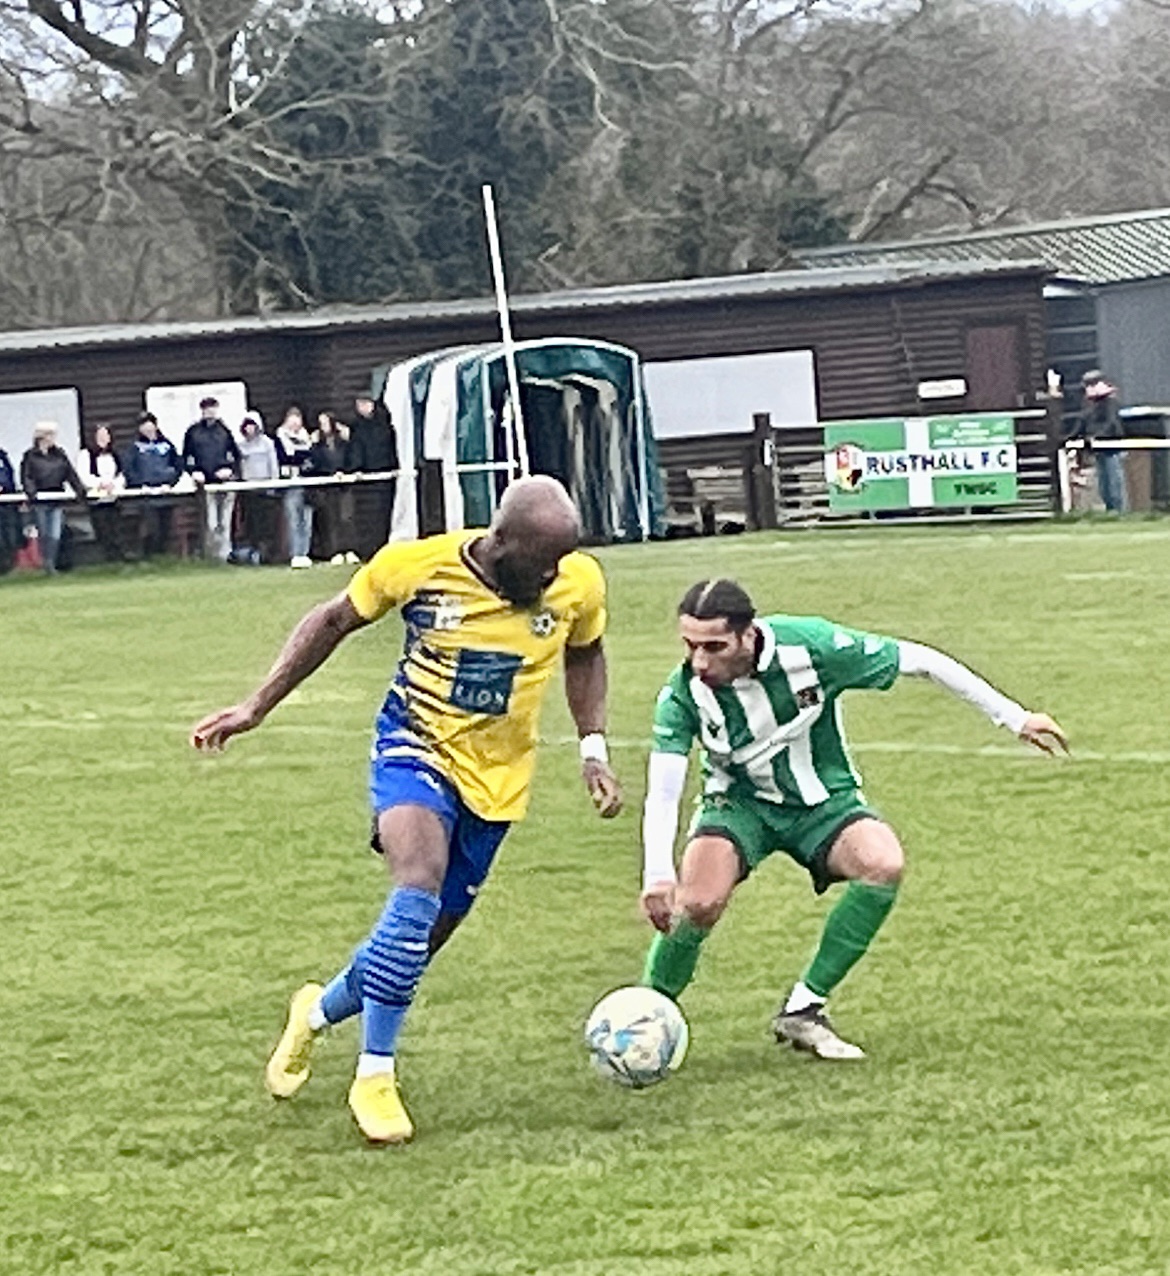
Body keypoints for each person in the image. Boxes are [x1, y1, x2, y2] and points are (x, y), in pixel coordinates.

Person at [189, 475, 623, 1144]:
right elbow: (332, 620)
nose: (550, 577)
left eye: (558, 563)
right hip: (414, 746)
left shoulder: (577, 583)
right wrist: (256, 705)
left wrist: (593, 748)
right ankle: (375, 1074)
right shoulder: (416, 567)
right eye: (539, 563)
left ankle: (314, 1014)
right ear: (500, 541)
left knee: (413, 941)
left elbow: (586, 654)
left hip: (499, 780)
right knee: (417, 878)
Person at [638, 578, 1068, 1061]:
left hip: (823, 801)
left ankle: (804, 1009)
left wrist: (1015, 717)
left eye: (714, 647)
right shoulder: (682, 694)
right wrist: (658, 875)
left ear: (748, 634)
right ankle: (646, 1017)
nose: (699, 661)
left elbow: (922, 660)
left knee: (882, 863)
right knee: (697, 903)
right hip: (737, 805)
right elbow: (664, 790)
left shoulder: (812, 648)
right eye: (690, 646)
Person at [19, 422, 89, 574]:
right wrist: (32, 493)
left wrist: (80, 490)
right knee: (44, 533)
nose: (52, 438)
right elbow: (26, 476)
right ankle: (47, 563)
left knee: (55, 533)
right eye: (50, 435)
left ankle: (50, 563)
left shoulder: (60, 454)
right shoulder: (30, 456)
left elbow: (70, 473)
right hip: (39, 501)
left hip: (56, 498)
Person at [182, 396, 240, 561]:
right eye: (207, 409)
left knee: (225, 521)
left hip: (225, 482)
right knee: (211, 522)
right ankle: (212, 555)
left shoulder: (224, 431)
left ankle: (225, 555)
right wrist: (194, 472)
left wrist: (230, 470)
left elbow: (236, 455)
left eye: (213, 408)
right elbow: (186, 457)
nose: (210, 412)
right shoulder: (193, 432)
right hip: (205, 484)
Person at [122, 411, 183, 558]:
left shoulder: (167, 445)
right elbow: (129, 469)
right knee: (151, 526)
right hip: (145, 495)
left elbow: (178, 466)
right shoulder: (134, 448)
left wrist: (170, 483)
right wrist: (139, 485)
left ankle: (163, 554)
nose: (147, 429)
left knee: (165, 525)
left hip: (164, 492)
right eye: (143, 426)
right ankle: (149, 554)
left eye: (150, 425)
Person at [346, 392, 398, 561]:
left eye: (364, 403)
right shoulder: (357, 427)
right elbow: (355, 450)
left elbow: (390, 447)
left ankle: (382, 549)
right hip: (365, 482)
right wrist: (355, 469)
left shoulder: (385, 424)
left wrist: (392, 467)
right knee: (365, 517)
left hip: (384, 478)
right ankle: (366, 550)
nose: (361, 408)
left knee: (382, 516)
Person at [1070, 370, 1127, 513]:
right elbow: (1082, 423)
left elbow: (1110, 424)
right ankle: (1110, 508)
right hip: (1098, 449)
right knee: (1103, 481)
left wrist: (1096, 436)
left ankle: (1117, 509)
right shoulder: (1089, 405)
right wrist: (1070, 438)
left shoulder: (1111, 403)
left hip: (1112, 448)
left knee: (1113, 479)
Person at [308, 411, 357, 564]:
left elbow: (351, 458)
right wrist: (312, 445)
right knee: (331, 520)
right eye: (321, 423)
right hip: (327, 487)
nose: (324, 426)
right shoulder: (318, 445)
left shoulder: (343, 442)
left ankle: (349, 550)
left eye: (326, 422)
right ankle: (334, 551)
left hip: (344, 485)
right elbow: (315, 464)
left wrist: (344, 472)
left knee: (346, 519)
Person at [233, 415, 280, 565]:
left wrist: (273, 484)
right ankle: (252, 553)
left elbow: (273, 465)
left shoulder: (267, 443)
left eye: (252, 425)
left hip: (265, 489)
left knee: (266, 524)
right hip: (248, 489)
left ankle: (267, 554)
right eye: (246, 425)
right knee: (250, 523)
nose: (249, 428)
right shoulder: (240, 445)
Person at [78, 424, 126, 562]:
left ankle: (118, 558)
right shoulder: (86, 454)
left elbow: (121, 474)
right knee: (103, 530)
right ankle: (107, 558)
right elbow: (84, 475)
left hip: (113, 498)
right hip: (96, 499)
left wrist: (114, 485)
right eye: (100, 436)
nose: (104, 439)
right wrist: (100, 484)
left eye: (106, 435)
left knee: (116, 528)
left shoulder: (114, 455)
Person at [275, 406, 315, 568]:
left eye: (297, 421)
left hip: (307, 484)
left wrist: (299, 457)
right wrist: (299, 458)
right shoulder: (280, 437)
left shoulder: (308, 438)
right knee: (293, 519)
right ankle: (295, 553)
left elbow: (311, 458)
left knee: (307, 519)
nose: (294, 425)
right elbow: (284, 458)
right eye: (291, 421)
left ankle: (305, 553)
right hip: (290, 484)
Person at [0, 445, 23, 575]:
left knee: (11, 534)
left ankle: (10, 565)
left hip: (8, 502)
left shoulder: (2, 456)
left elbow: (10, 475)